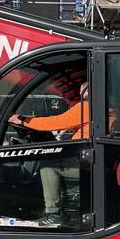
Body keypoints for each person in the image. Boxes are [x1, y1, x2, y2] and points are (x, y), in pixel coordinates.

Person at [8, 82, 90, 226]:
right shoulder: (110, 109)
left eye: (84, 87)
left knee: (48, 165)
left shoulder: (88, 107)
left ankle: (54, 213)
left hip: (86, 164)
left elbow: (55, 122)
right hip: (92, 161)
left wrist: (23, 120)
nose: (81, 90)